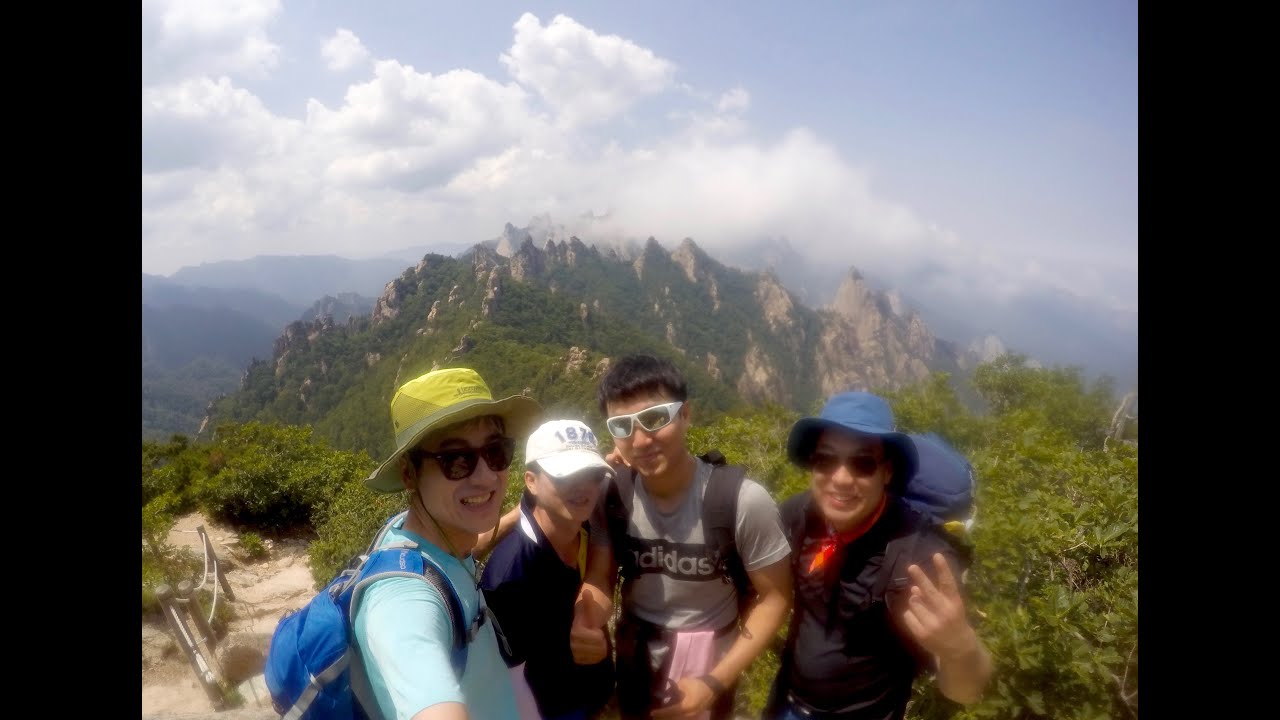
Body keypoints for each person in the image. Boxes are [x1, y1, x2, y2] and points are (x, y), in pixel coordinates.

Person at [572, 353, 794, 720]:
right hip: (636, 662)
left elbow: (775, 597)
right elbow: (601, 576)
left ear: (686, 414)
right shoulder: (612, 495)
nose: (641, 440)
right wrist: (586, 617)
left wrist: (714, 682)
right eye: (623, 426)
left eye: (655, 419)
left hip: (710, 667)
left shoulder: (741, 501)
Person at [766, 391, 992, 720]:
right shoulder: (798, 516)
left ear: (886, 472)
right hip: (787, 705)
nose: (841, 479)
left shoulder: (919, 558)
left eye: (862, 463)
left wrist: (960, 646)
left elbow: (966, 692)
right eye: (826, 459)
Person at [350, 366, 542, 720]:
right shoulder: (402, 601)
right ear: (409, 474)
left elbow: (472, 545)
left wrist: (526, 511)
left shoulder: (428, 537)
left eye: (496, 452)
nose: (486, 476)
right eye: (456, 460)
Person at [481, 419, 618, 720]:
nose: (582, 487)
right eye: (566, 474)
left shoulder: (585, 531)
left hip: (599, 698)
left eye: (591, 474)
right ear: (531, 481)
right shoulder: (512, 574)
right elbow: (505, 678)